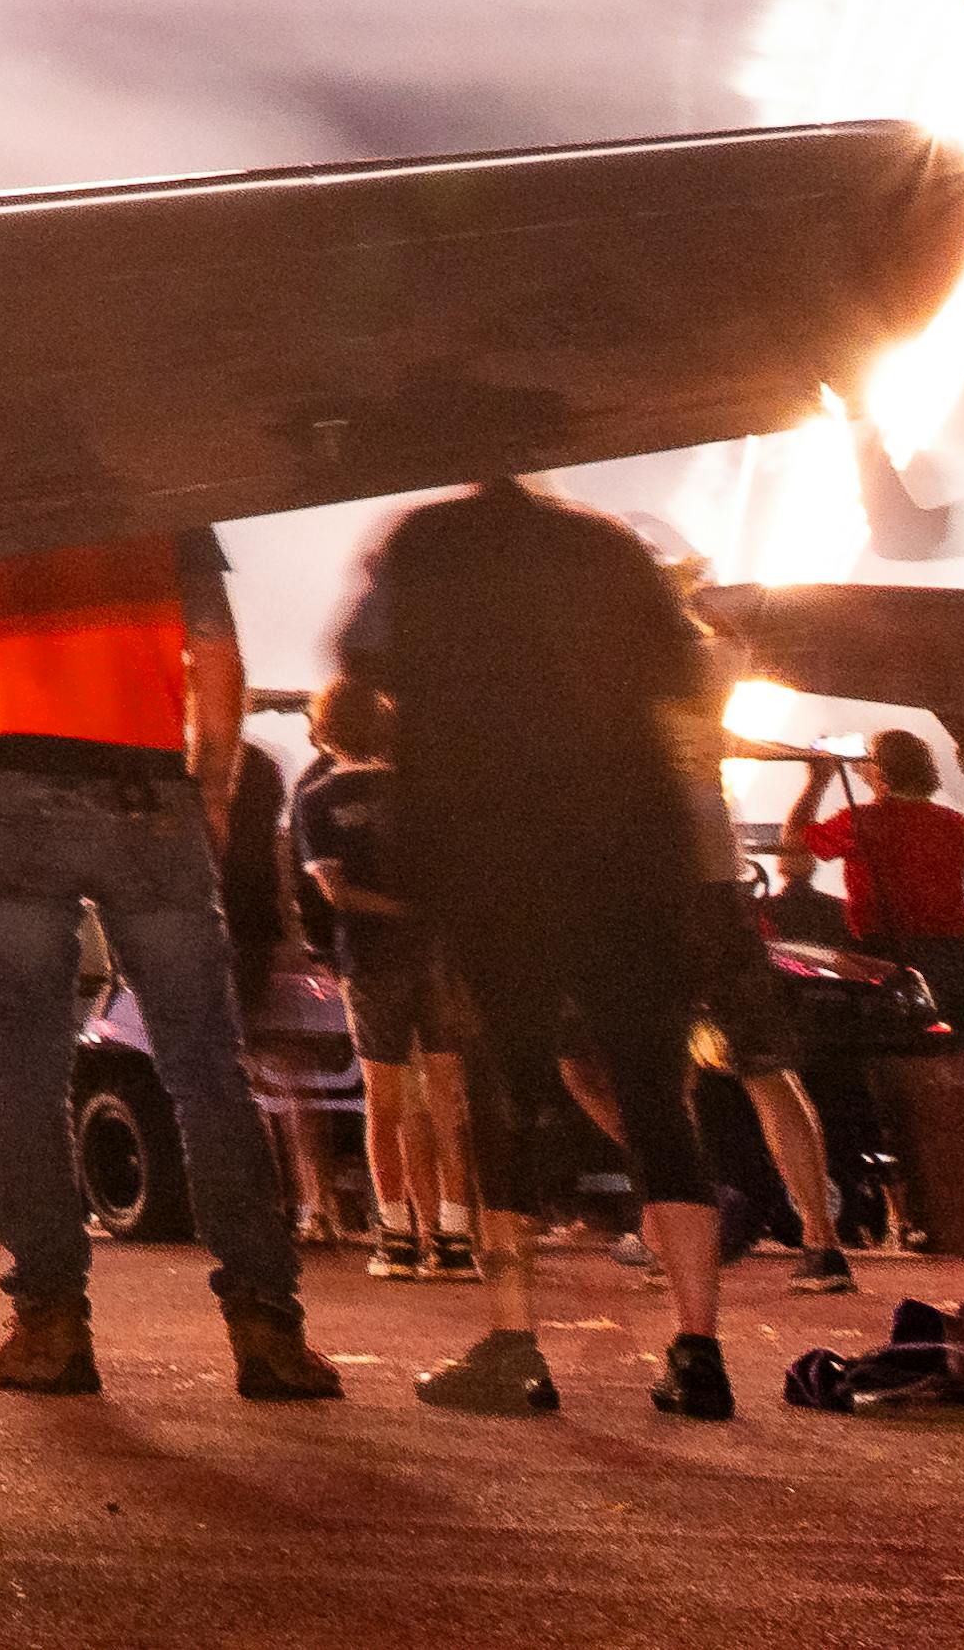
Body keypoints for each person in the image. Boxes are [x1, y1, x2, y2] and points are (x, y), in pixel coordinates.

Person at [0, 532, 330, 1403]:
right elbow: (215, 646)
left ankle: (50, 1323)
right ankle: (267, 1326)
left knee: (25, 1074)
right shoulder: (151, 487)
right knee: (205, 1067)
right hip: (145, 786)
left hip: (5, 788)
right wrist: (214, 789)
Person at [344, 471, 739, 1421]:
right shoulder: (607, 542)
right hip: (635, 851)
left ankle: (517, 1341)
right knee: (653, 1092)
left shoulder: (429, 538)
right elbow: (690, 666)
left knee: (507, 1086)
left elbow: (362, 654)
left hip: (498, 857)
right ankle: (699, 1351)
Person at [287, 675, 464, 1276]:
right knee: (447, 1095)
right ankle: (456, 1234)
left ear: (326, 731)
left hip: (370, 957)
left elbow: (331, 891)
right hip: (437, 955)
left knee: (383, 1101)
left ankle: (396, 1235)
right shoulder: (422, 792)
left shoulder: (315, 800)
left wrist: (385, 913)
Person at [789, 724, 964, 961]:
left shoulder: (862, 821)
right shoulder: (955, 823)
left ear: (882, 772)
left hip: (890, 952)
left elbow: (795, 839)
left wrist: (817, 781)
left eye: (869, 758)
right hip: (954, 953)